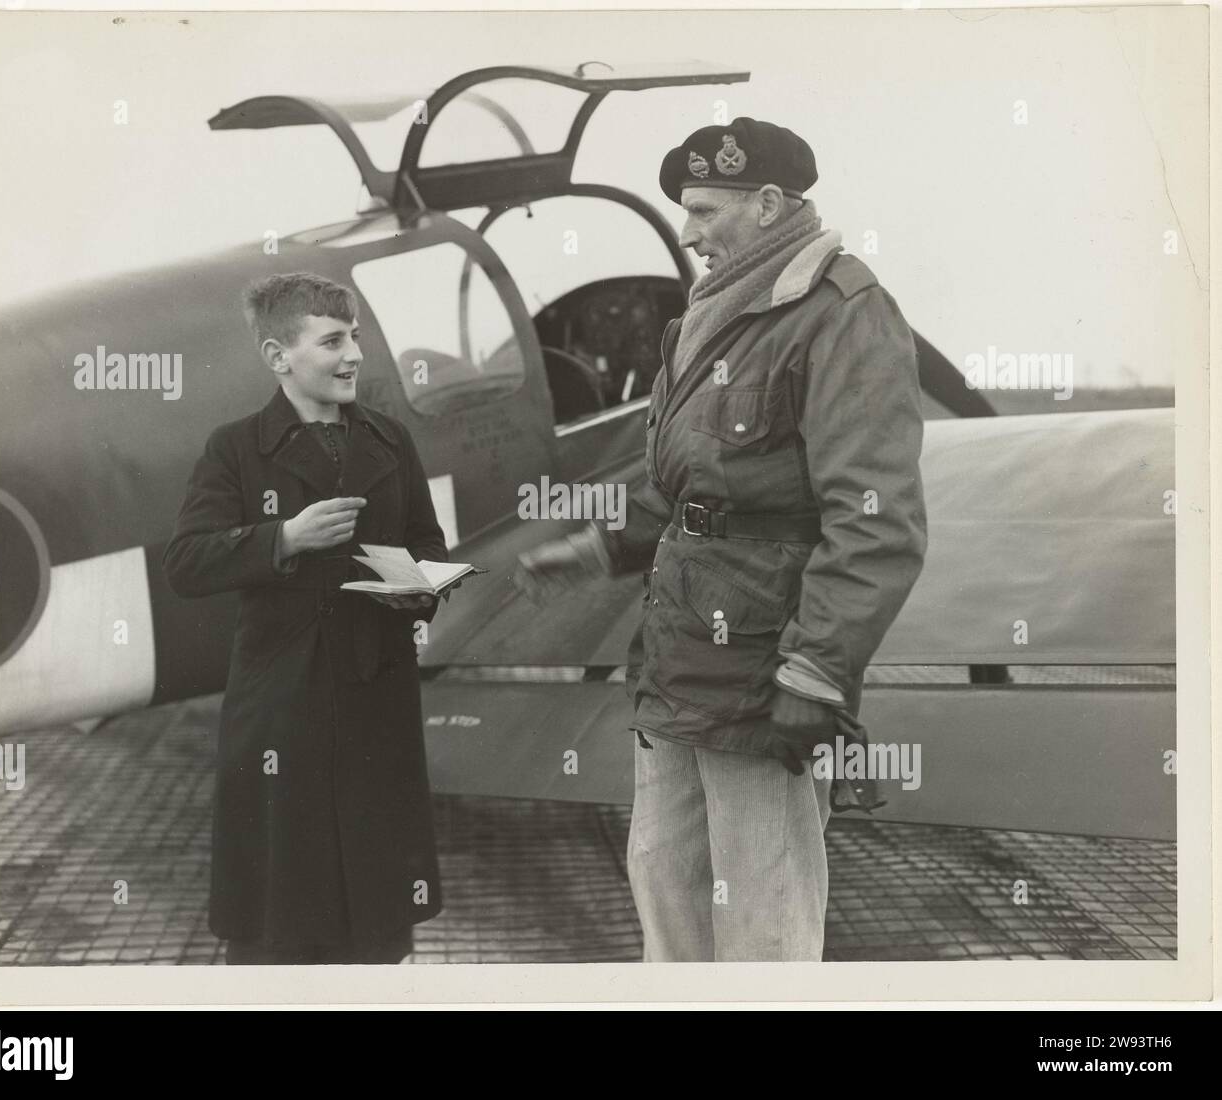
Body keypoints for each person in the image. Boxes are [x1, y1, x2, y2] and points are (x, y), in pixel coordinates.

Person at [514, 118, 927, 962]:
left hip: (762, 671)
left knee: (763, 917)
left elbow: (877, 521)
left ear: (770, 204)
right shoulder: (703, 321)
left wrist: (816, 673)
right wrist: (597, 550)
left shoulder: (842, 314)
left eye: (703, 210)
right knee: (665, 886)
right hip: (674, 662)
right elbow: (684, 484)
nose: (687, 231)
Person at [163, 272, 448, 964]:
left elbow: (428, 544)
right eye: (332, 342)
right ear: (277, 356)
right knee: (280, 922)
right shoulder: (235, 448)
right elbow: (187, 563)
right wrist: (284, 539)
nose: (353, 356)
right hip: (281, 708)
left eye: (354, 338)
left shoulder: (390, 439)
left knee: (377, 921)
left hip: (375, 696)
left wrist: (422, 587)